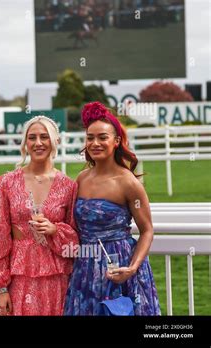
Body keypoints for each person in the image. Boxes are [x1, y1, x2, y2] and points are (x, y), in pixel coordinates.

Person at [64, 102, 161, 315]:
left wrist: (132, 268)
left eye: (102, 137)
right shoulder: (81, 178)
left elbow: (147, 230)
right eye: (90, 138)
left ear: (116, 141)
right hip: (85, 267)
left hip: (119, 265)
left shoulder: (128, 183)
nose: (95, 143)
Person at [0, 116, 79, 316]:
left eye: (44, 137)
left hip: (57, 276)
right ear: (25, 143)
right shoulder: (7, 183)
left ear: (55, 141)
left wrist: (55, 230)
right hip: (19, 274)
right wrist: (1, 288)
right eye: (32, 137)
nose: (38, 143)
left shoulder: (68, 186)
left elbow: (75, 239)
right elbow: (0, 235)